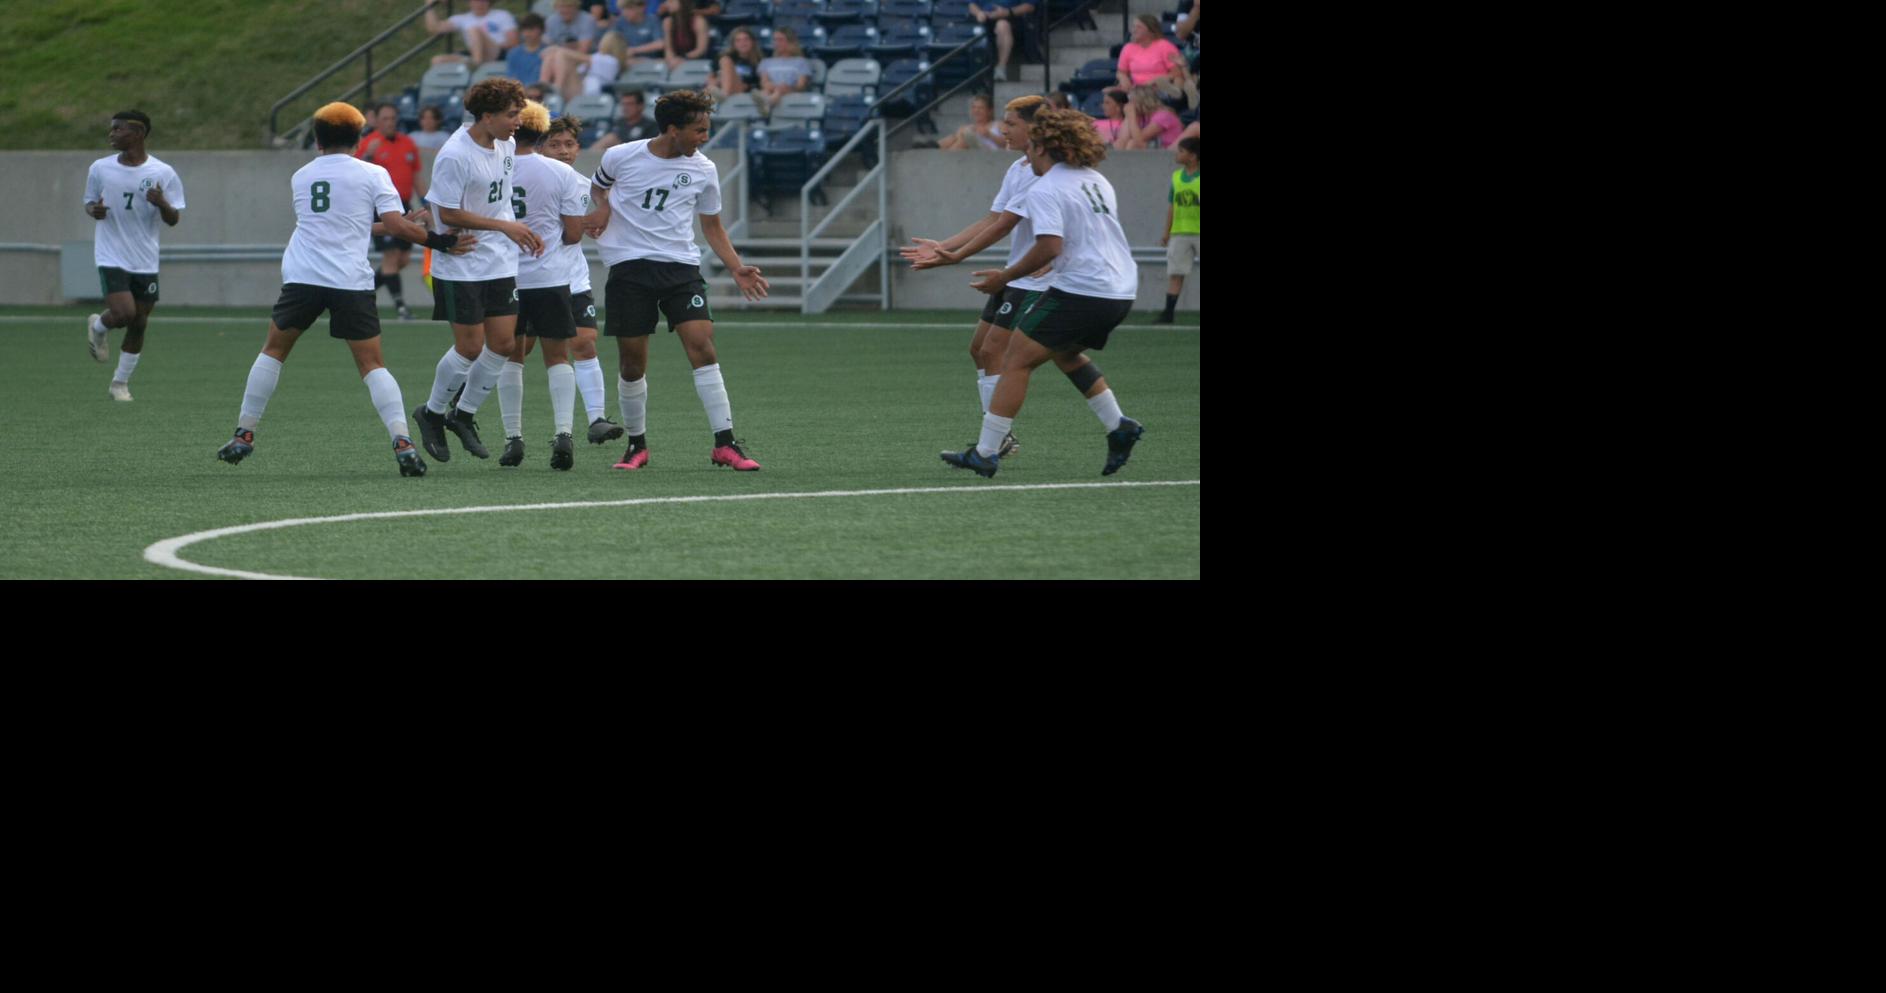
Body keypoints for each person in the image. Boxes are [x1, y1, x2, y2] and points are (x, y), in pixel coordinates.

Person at [215, 102, 477, 477]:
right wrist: (440, 241)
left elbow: (344, 224)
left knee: (273, 352)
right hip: (349, 281)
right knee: (372, 365)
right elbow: (391, 227)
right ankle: (402, 440)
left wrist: (403, 223)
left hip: (303, 277)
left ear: (317, 141)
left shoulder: (302, 175)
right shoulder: (373, 173)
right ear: (359, 138)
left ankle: (244, 433)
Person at [940, 106, 1144, 478]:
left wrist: (1004, 276)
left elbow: (1050, 247)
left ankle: (986, 453)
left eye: (1030, 146)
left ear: (1042, 147)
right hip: (1121, 288)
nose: (1026, 155)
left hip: (1084, 289)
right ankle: (1120, 426)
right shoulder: (1095, 179)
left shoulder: (1046, 188)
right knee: (1066, 354)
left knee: (1015, 359)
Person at [587, 89, 769, 471]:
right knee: (632, 364)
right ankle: (637, 446)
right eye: (699, 130)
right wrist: (602, 208)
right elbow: (598, 185)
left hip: (681, 269)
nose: (705, 137)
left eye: (707, 129)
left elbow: (712, 225)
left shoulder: (704, 168)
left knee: (703, 347)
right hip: (629, 268)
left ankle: (725, 443)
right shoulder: (621, 156)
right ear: (672, 129)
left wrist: (736, 266)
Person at [410, 77, 547, 464]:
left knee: (504, 344)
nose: (517, 120)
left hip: (499, 259)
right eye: (510, 114)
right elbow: (448, 212)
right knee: (469, 347)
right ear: (486, 117)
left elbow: (497, 200)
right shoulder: (455, 154)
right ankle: (432, 413)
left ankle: (463, 414)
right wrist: (507, 226)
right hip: (462, 261)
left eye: (518, 112)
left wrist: (515, 229)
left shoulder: (504, 142)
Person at [493, 101, 591, 469]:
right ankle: (564, 434)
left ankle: (513, 439)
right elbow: (574, 233)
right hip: (549, 277)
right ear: (542, 133)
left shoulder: (493, 167)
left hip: (506, 277)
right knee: (558, 357)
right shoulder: (560, 173)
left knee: (511, 357)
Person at [83, 109, 184, 403]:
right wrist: (94, 211)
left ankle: (120, 383)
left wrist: (162, 202)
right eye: (112, 129)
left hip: (145, 258)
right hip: (111, 253)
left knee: (139, 322)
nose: (111, 134)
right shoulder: (100, 168)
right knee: (125, 314)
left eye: (118, 129)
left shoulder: (162, 173)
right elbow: (89, 203)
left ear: (138, 134)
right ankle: (100, 326)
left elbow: (173, 218)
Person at [356, 102, 428, 319]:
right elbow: (354, 174)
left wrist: (427, 203)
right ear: (376, 120)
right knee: (391, 257)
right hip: (380, 208)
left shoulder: (408, 143)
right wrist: (368, 155)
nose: (390, 122)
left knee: (402, 259)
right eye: (385, 118)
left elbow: (416, 176)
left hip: (404, 205)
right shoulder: (369, 144)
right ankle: (401, 308)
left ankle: (361, 296)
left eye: (392, 118)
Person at [1157, 136, 1198, 324]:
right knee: (1176, 272)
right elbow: (1172, 206)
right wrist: (1167, 232)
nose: (1177, 154)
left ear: (1193, 156)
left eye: (1181, 151)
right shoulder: (1176, 177)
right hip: (1180, 231)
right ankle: (1168, 313)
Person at [426, 0, 520, 65]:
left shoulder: (502, 15)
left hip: (498, 53)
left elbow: (514, 43)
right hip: (473, 54)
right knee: (437, 61)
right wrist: (429, 4)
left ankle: (476, 65)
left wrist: (485, 44)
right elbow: (434, 28)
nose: (479, 3)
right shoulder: (463, 18)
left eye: (483, 0)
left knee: (474, 30)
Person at [968, 2, 1035, 79]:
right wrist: (978, 13)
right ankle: (977, 74)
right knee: (976, 30)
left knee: (1003, 25)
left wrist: (1007, 12)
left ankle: (1000, 68)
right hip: (984, 20)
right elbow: (971, 4)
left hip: (1011, 19)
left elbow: (1030, 6)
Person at [756, 27, 816, 114]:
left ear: (790, 42)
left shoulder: (800, 61)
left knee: (779, 90)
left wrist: (787, 87)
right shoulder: (766, 62)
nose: (777, 43)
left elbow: (801, 85)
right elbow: (764, 82)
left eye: (780, 40)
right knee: (766, 91)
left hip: (790, 91)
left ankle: (768, 105)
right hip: (771, 90)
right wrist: (774, 86)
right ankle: (766, 106)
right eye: (775, 40)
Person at [1115, 14, 1182, 89]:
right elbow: (1121, 72)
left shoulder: (1165, 46)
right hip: (1135, 90)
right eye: (1133, 26)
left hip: (1159, 89)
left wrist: (1156, 80)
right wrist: (1123, 78)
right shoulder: (1128, 48)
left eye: (1139, 27)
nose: (1134, 30)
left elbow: (1177, 73)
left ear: (1151, 31)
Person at [707, 26, 764, 110]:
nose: (742, 43)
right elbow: (711, 77)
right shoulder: (723, 57)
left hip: (745, 91)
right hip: (722, 88)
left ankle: (723, 96)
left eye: (746, 39)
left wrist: (747, 86)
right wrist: (718, 81)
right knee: (725, 61)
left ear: (753, 41)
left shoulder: (759, 61)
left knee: (725, 61)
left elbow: (760, 84)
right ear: (733, 44)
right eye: (738, 40)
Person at [597, 0, 665, 66]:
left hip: (650, 62)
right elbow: (609, 42)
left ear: (640, 8)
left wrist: (634, 50)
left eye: (628, 9)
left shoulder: (652, 20)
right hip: (627, 63)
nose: (624, 13)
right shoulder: (620, 22)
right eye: (623, 9)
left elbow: (660, 44)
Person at [593, 88, 659, 150]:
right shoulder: (617, 123)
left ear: (640, 106)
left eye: (629, 104)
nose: (625, 108)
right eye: (623, 104)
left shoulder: (651, 126)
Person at [1120, 85, 1182, 149]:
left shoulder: (1163, 115)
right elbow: (1123, 139)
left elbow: (1139, 139)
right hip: (1154, 145)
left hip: (1166, 150)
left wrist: (1131, 117)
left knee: (1133, 144)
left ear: (1141, 102)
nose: (1130, 105)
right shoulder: (1145, 115)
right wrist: (1128, 117)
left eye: (1132, 102)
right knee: (1120, 143)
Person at [938, 93, 1005, 151]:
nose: (976, 111)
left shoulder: (998, 124)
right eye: (974, 107)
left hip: (989, 154)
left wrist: (989, 135)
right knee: (955, 136)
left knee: (967, 136)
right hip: (969, 155)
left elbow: (1007, 144)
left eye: (980, 108)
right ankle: (934, 146)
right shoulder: (967, 127)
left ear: (989, 111)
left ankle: (946, 158)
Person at [661, 0, 710, 71]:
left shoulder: (699, 21)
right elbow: (668, 48)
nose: (666, 4)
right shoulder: (667, 22)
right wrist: (671, 60)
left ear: (683, 3)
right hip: (675, 61)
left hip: (695, 62)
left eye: (671, 1)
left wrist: (683, 58)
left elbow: (701, 49)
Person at [507, 13, 551, 83]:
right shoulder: (513, 53)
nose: (527, 33)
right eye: (524, 29)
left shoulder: (549, 52)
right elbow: (512, 79)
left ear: (541, 30)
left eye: (531, 29)